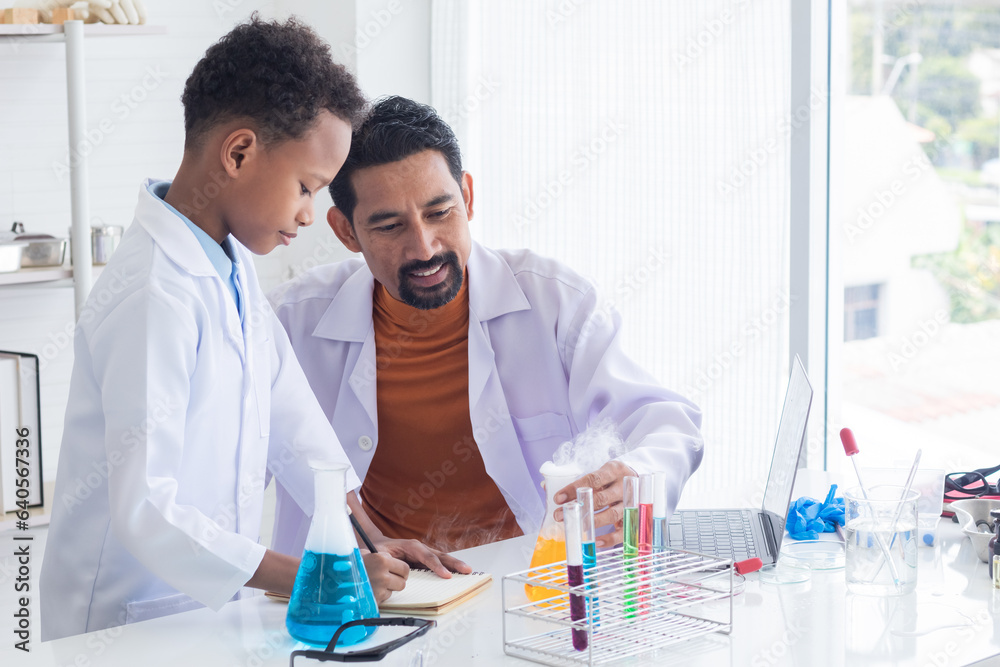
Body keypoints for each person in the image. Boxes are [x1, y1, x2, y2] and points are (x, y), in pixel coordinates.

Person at [40, 20, 465, 642]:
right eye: (305, 187)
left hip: (197, 615)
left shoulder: (228, 264)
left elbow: (294, 423)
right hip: (118, 624)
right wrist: (310, 577)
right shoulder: (154, 294)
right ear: (238, 154)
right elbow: (145, 509)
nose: (309, 215)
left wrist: (372, 538)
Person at [268, 96, 704, 557]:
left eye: (440, 213)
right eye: (391, 227)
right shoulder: (292, 322)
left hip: (523, 590)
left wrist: (637, 473)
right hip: (373, 597)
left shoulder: (554, 301)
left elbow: (668, 423)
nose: (424, 247)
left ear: (468, 197)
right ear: (346, 232)